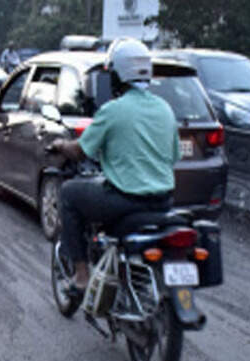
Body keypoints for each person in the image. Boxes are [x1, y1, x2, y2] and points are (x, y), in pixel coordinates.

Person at [49, 38, 179, 290]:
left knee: (69, 194)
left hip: (124, 201)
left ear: (118, 76)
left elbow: (80, 151)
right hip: (164, 200)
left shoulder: (113, 110)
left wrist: (60, 145)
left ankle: (82, 275)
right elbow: (172, 157)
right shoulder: (166, 109)